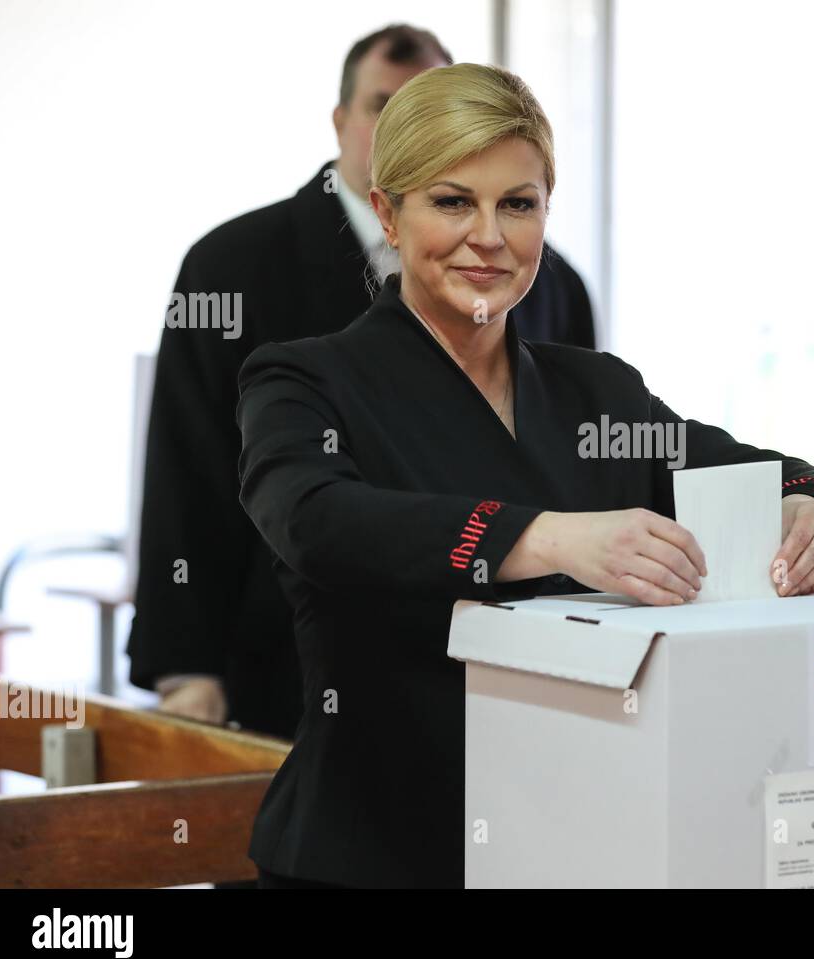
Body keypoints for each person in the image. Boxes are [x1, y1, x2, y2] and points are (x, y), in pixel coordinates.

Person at [237, 62, 814, 888]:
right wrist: (544, 537)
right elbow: (317, 521)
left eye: (519, 204)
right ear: (389, 215)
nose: (489, 236)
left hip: (575, 844)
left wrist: (806, 503)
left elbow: (760, 468)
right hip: (375, 849)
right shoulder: (304, 379)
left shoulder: (595, 390)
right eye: (453, 201)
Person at [126, 25, 595, 740]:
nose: (401, 127)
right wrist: (185, 665)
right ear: (342, 120)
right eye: (383, 105)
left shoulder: (550, 280)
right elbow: (187, 470)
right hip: (291, 659)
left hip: (512, 673)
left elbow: (581, 452)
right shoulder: (233, 268)